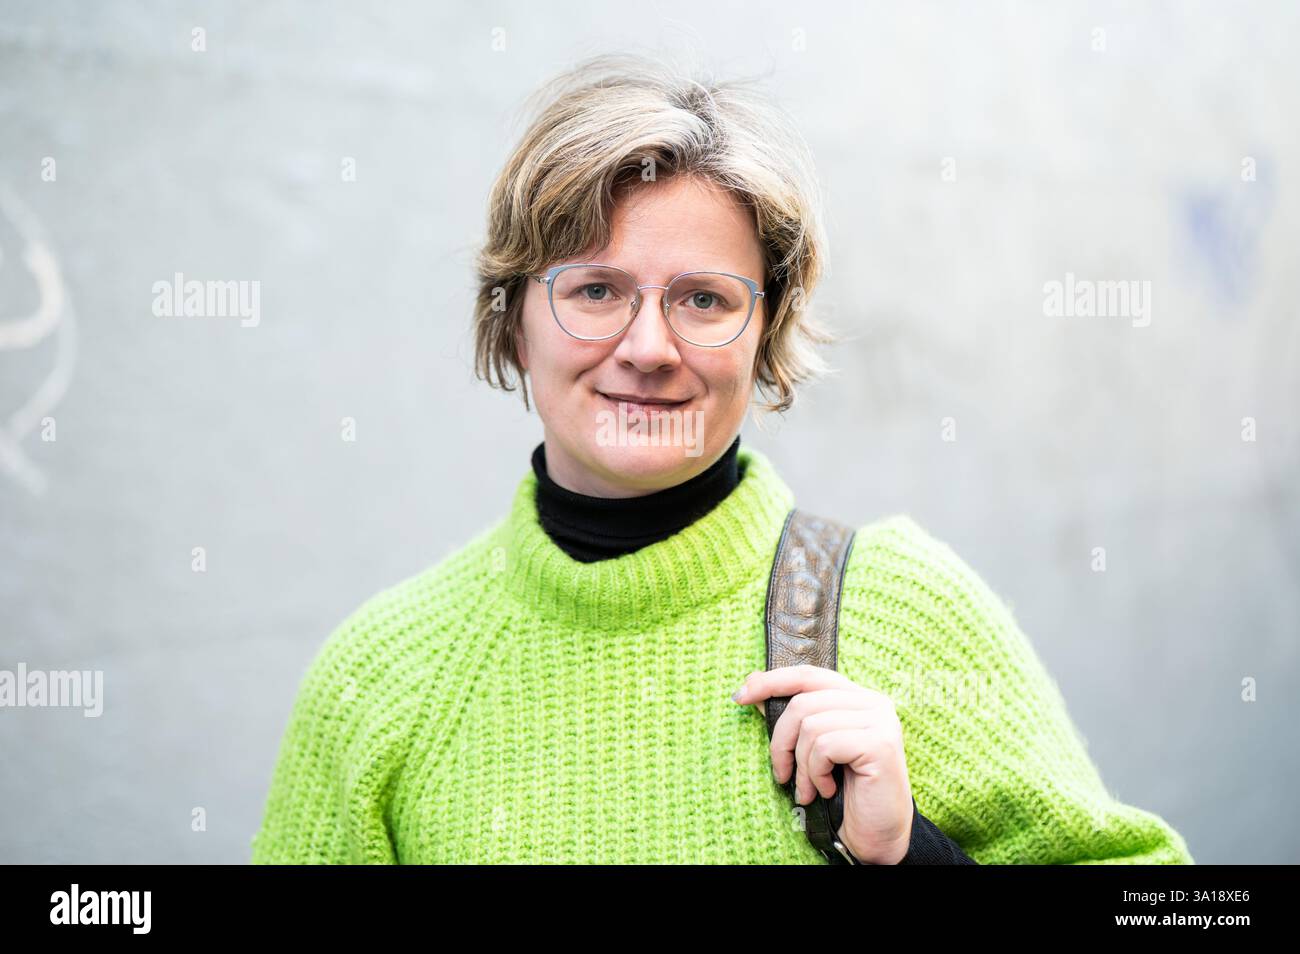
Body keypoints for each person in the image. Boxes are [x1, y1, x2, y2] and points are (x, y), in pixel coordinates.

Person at [250, 52, 1194, 865]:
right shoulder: (380, 682)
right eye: (595, 289)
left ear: (766, 331)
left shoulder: (900, 612)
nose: (649, 347)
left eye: (703, 298)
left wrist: (911, 856)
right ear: (512, 319)